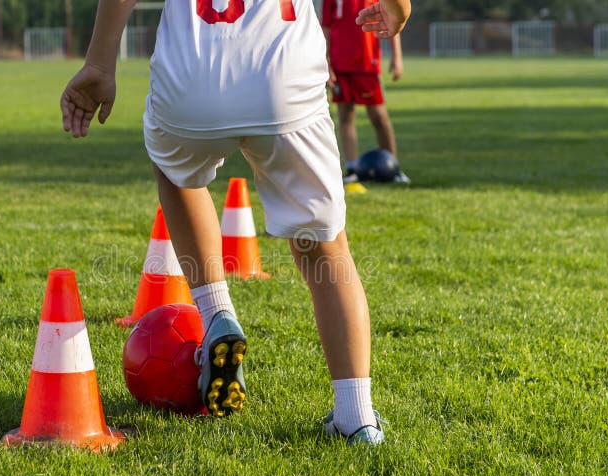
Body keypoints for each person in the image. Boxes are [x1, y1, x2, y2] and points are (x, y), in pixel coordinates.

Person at [60, 0, 411, 445]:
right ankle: (356, 417)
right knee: (324, 246)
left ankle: (217, 314)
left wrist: (99, 64)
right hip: (284, 76)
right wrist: (399, 8)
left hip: (193, 78)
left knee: (177, 175)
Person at [322, 0, 410, 192]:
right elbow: (326, 27)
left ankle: (392, 167)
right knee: (345, 115)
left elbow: (392, 17)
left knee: (379, 116)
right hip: (340, 63)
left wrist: (397, 57)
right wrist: (326, 60)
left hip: (367, 63)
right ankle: (352, 168)